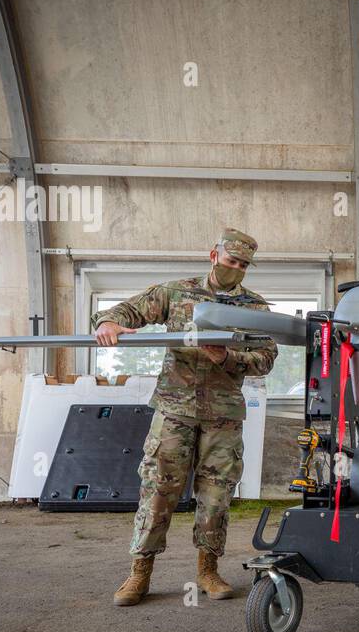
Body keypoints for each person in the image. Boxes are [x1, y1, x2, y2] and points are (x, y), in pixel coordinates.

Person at [95, 229, 275, 606]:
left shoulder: (255, 308)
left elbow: (265, 359)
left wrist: (226, 358)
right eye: (231, 261)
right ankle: (139, 574)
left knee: (216, 495)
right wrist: (108, 323)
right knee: (158, 490)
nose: (237, 269)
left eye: (243, 265)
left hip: (223, 415)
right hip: (174, 410)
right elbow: (128, 310)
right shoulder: (177, 293)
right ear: (214, 255)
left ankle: (208, 570)